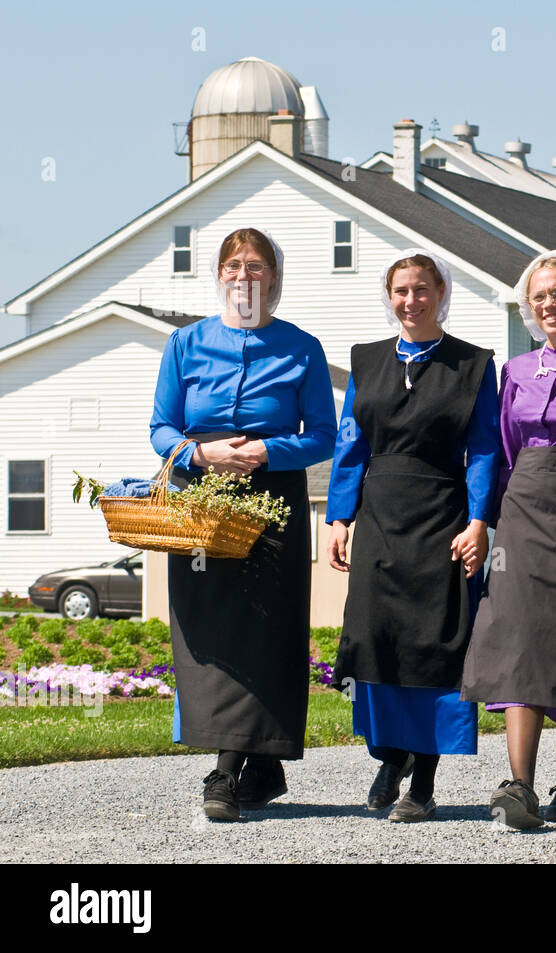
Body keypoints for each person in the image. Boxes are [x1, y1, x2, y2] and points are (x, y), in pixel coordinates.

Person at [150, 226, 336, 822]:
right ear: (219, 274)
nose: (243, 276)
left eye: (256, 266)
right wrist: (201, 455)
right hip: (201, 499)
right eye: (234, 265)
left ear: (274, 278)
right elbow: (160, 429)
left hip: (272, 503)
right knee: (210, 628)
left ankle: (226, 774)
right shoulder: (184, 343)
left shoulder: (301, 348)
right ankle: (264, 762)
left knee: (265, 630)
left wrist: (263, 453)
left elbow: (322, 438)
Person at [326, 248, 500, 823]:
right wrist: (338, 518)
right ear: (389, 296)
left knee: (434, 644)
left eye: (422, 289)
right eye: (401, 290)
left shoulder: (473, 364)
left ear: (440, 294)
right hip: (378, 517)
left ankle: (422, 779)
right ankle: (389, 753)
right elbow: (350, 444)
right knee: (376, 641)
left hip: (443, 520)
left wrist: (478, 521)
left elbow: (483, 450)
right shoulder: (367, 361)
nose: (411, 300)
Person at [461, 250, 556, 829]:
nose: (549, 303)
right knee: (518, 637)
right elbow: (501, 450)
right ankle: (519, 785)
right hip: (523, 510)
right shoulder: (516, 371)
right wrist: (486, 518)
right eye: (539, 296)